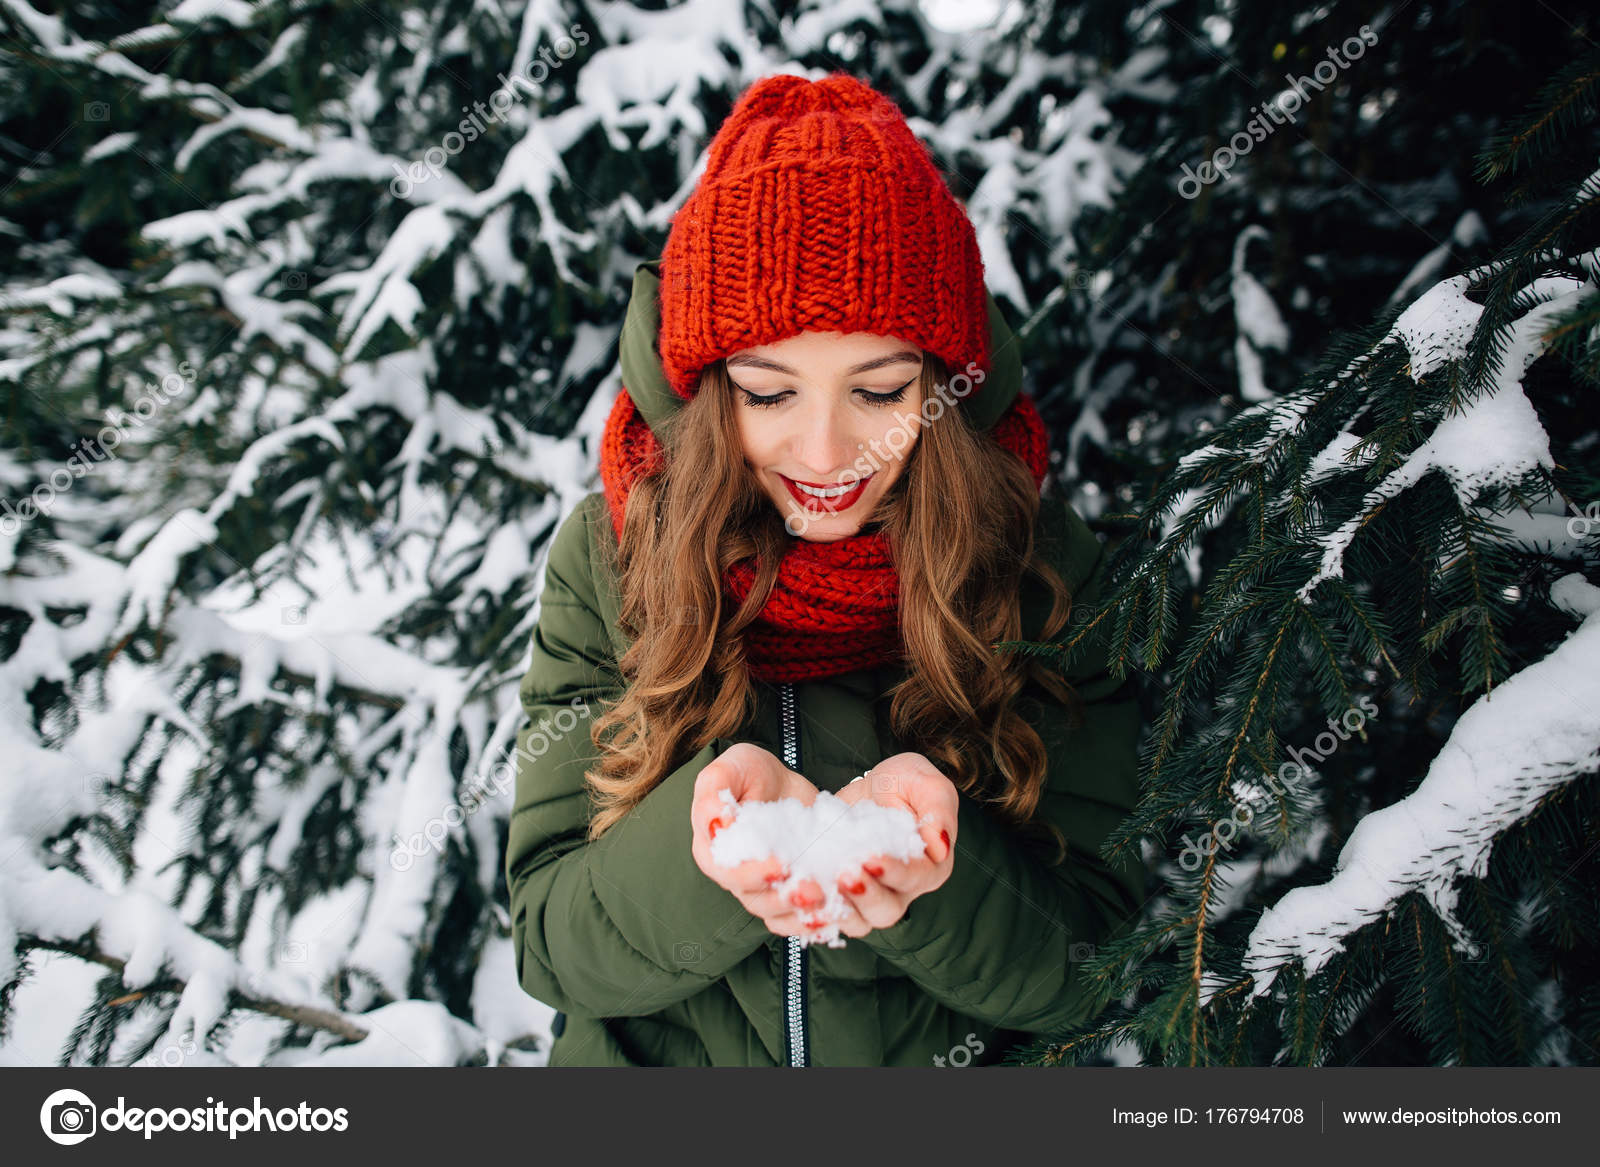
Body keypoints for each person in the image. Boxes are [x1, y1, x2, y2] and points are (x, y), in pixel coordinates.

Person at [505, 72, 1146, 1067]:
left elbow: (1101, 967)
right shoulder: (612, 555)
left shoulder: (1038, 568)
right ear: (709, 395)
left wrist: (945, 881)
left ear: (941, 385)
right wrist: (703, 855)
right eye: (767, 392)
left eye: (880, 389)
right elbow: (552, 947)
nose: (823, 448)